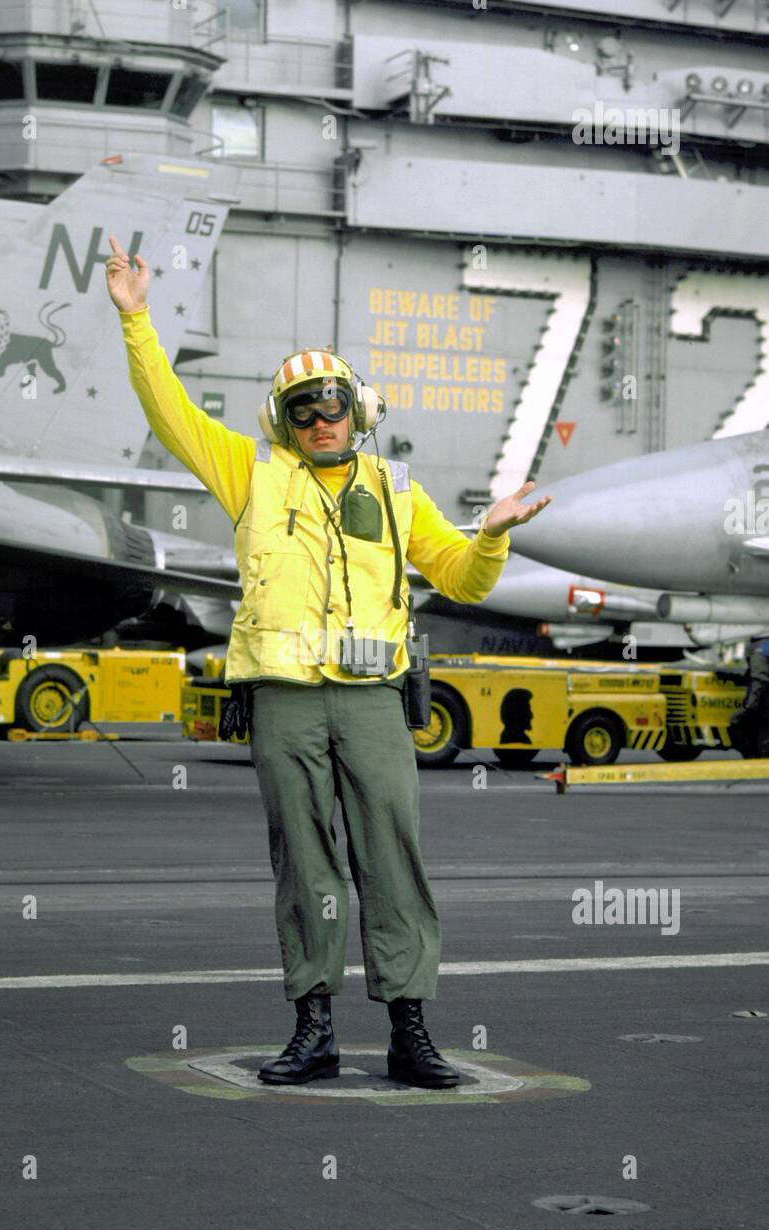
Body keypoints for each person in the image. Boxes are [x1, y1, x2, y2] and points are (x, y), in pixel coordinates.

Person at [105, 233, 551, 1089]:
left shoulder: (394, 489)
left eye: (332, 406)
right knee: (303, 862)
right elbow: (168, 411)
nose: (320, 422)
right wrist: (137, 322)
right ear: (284, 420)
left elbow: (455, 571)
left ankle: (410, 1032)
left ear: (356, 408)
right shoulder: (251, 474)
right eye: (302, 411)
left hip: (376, 700)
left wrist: (488, 537)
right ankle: (313, 1028)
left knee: (392, 855)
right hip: (285, 702)